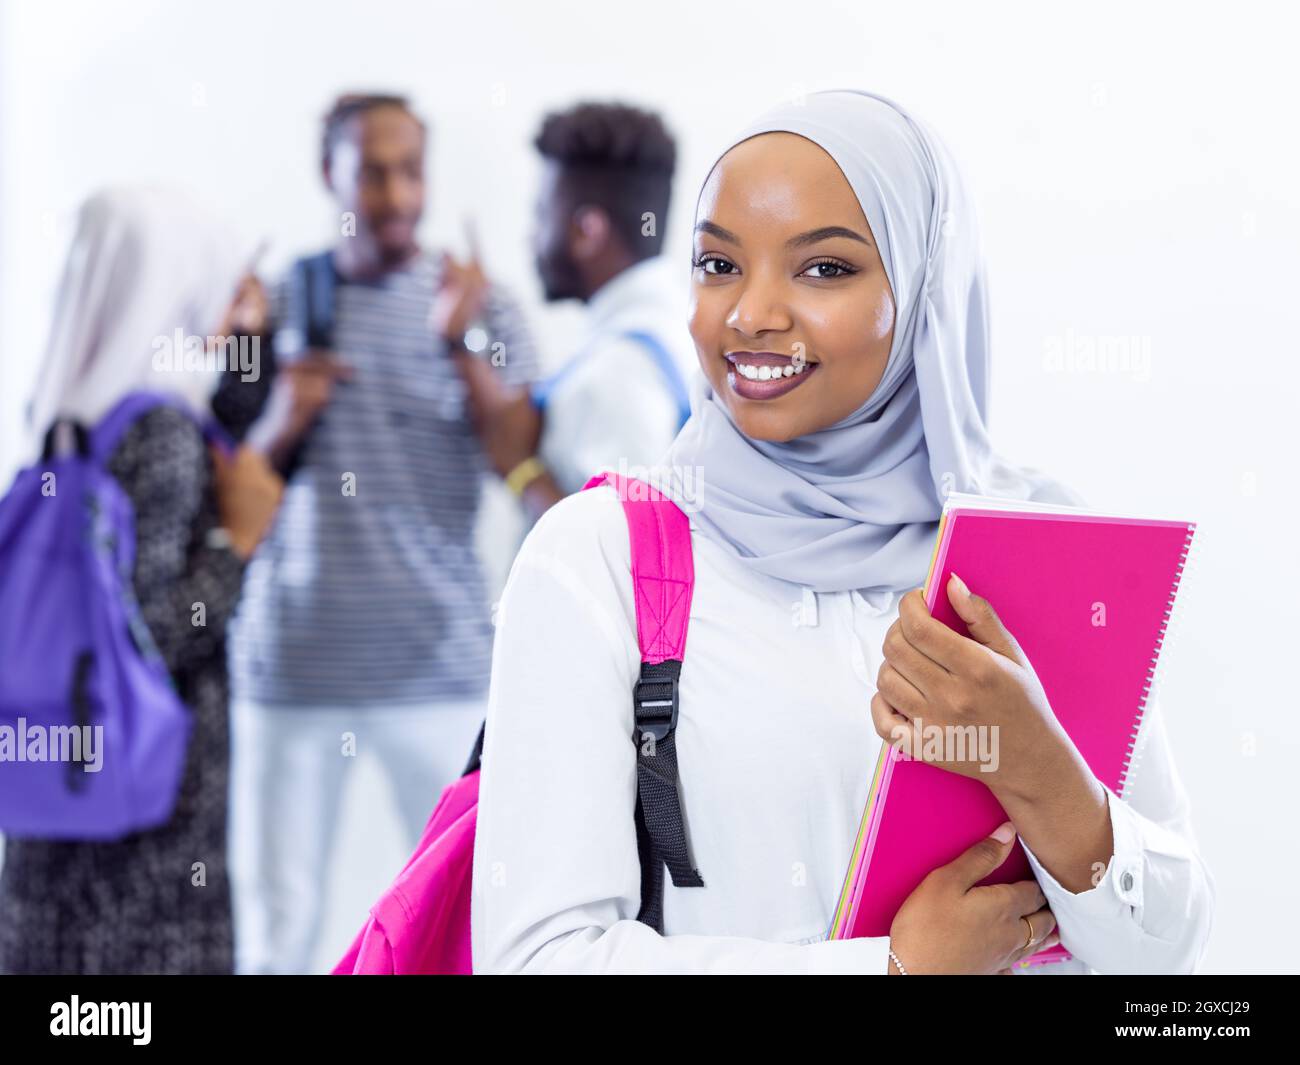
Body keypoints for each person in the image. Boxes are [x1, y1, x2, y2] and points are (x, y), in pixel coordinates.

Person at [470, 90, 1215, 974]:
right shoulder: (596, 557)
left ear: (924, 294)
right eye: (717, 265)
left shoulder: (1044, 546)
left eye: (823, 269)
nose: (750, 315)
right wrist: (889, 970)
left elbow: (1169, 966)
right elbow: (539, 958)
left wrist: (1048, 780)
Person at [217, 93, 540, 975]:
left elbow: (527, 469)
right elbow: (217, 485)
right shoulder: (277, 304)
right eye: (372, 170)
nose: (396, 193)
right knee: (277, 930)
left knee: (470, 924)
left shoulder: (484, 308)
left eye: (411, 169)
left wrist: (465, 346)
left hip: (439, 670)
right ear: (330, 175)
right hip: (290, 671)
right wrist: (274, 407)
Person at [0, 185, 282, 974]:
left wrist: (250, 346)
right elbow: (155, 629)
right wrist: (238, 545)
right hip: (149, 830)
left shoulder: (62, 419)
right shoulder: (162, 432)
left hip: (58, 795)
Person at [455, 102, 693, 518]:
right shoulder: (677, 328)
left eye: (542, 213)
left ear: (587, 232)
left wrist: (520, 468)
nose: (531, 237)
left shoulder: (619, 372)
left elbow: (623, 558)